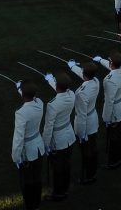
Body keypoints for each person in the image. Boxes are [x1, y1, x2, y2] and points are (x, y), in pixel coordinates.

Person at [11, 81, 45, 210]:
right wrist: (21, 88)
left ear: (23, 94)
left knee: (27, 181)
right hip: (38, 146)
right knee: (37, 177)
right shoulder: (40, 103)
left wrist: (16, 157)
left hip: (28, 151)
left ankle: (31, 205)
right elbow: (30, 97)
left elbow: (18, 138)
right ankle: (37, 202)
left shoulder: (21, 113)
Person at [41, 72, 75, 202]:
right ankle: (65, 189)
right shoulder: (71, 94)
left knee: (57, 169)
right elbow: (60, 90)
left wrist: (46, 144)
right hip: (69, 136)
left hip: (58, 140)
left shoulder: (52, 105)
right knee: (66, 165)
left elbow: (48, 127)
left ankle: (58, 193)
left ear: (58, 86)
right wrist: (51, 80)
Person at [67, 60, 100, 184]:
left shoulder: (81, 93)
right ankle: (93, 172)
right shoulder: (96, 81)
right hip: (93, 118)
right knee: (93, 146)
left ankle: (88, 175)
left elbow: (81, 117)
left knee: (86, 151)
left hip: (85, 123)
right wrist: (73, 67)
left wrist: (81, 134)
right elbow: (85, 75)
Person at [99, 51, 121, 169]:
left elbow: (109, 101)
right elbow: (113, 67)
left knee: (114, 138)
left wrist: (106, 118)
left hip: (114, 111)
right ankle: (117, 158)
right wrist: (101, 60)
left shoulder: (109, 79)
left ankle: (113, 161)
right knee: (119, 134)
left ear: (112, 63)